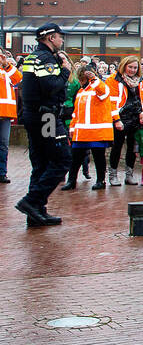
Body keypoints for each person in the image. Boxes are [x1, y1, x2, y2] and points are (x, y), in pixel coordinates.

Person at [14, 22, 72, 227]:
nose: (61, 40)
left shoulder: (32, 58)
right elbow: (51, 87)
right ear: (50, 38)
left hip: (33, 116)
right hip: (46, 118)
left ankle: (36, 213)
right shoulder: (46, 59)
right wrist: (64, 71)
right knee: (61, 160)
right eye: (59, 37)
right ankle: (31, 202)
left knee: (40, 164)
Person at [61, 64, 115, 190]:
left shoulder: (99, 87)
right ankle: (71, 180)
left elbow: (103, 92)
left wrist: (94, 79)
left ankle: (101, 181)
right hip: (82, 132)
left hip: (97, 131)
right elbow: (76, 113)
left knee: (98, 157)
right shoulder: (80, 92)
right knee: (75, 158)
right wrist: (72, 129)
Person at [105, 55, 143, 186]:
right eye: (130, 67)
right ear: (124, 66)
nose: (132, 70)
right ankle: (113, 175)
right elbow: (112, 102)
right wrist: (116, 120)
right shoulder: (113, 79)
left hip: (136, 116)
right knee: (117, 147)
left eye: (135, 67)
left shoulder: (140, 79)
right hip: (121, 116)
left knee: (133, 148)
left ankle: (129, 174)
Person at [0, 49, 21, 184]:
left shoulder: (7, 71)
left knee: (3, 145)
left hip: (6, 113)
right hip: (5, 113)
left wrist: (6, 64)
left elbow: (18, 78)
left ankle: (2, 173)